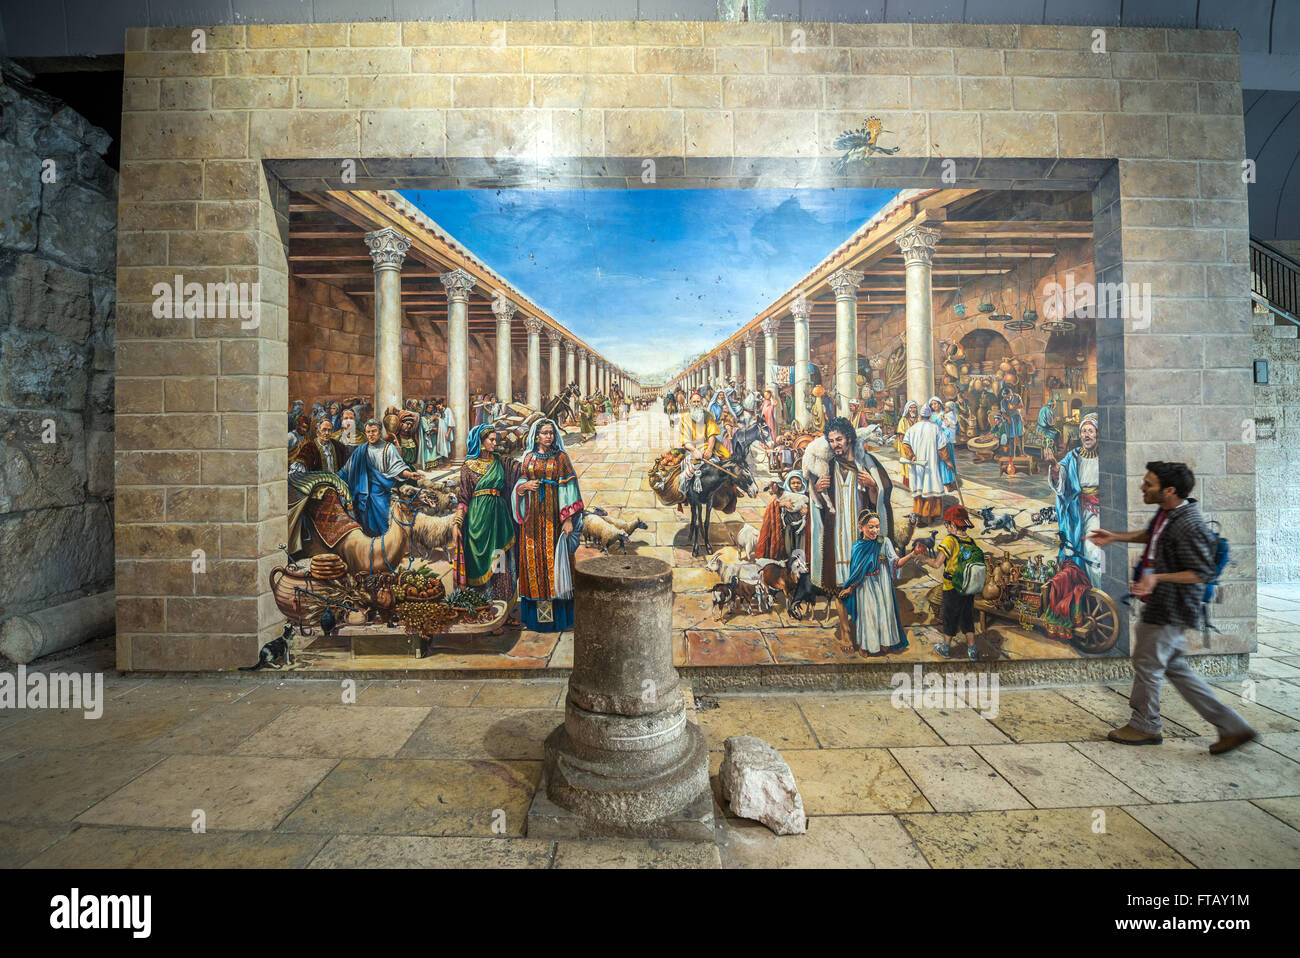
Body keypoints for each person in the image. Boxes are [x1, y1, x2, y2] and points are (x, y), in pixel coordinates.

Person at [1090, 462, 1256, 754]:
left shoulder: (1190, 525)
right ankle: (1232, 727)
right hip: (1161, 603)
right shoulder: (1168, 513)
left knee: (1147, 665)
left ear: (1170, 490)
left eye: (1148, 484)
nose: (1142, 487)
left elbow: (1202, 572)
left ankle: (1145, 724)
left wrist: (1157, 577)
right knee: (1174, 667)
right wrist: (1115, 537)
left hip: (1171, 606)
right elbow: (1151, 535)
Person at [804, 417, 895, 597]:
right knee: (839, 581)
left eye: (839, 439)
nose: (835, 445)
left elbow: (879, 499)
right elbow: (818, 504)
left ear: (849, 439)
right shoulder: (827, 466)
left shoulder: (867, 463)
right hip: (837, 530)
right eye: (831, 441)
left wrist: (872, 485)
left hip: (860, 530)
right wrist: (817, 488)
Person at [511, 419, 584, 631]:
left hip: (554, 518)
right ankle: (535, 619)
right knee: (533, 561)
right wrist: (523, 487)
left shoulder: (561, 458)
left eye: (551, 433)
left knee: (555, 561)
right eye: (544, 433)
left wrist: (568, 518)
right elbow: (519, 483)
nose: (549, 436)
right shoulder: (528, 458)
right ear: (536, 436)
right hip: (531, 520)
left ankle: (560, 618)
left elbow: (569, 487)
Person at [452, 424, 522, 613]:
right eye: (491, 439)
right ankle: (482, 609)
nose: (494, 443)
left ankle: (503, 609)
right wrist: (457, 523)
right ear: (480, 442)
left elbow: (521, 469)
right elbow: (464, 498)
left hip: (499, 522)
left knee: (499, 565)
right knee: (479, 563)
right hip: (477, 523)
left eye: (495, 440)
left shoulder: (500, 461)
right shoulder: (467, 466)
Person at [836, 509, 920, 656]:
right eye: (870, 527)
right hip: (865, 586)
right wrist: (851, 588)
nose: (875, 530)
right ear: (860, 527)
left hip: (883, 584)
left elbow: (896, 563)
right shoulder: (857, 546)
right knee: (868, 615)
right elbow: (856, 572)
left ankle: (884, 642)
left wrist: (912, 554)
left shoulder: (884, 542)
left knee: (884, 613)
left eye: (877, 526)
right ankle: (866, 645)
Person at [338, 418, 423, 536]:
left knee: (385, 523)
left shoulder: (388, 448)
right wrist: (334, 479)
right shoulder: (361, 450)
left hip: (382, 491)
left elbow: (397, 467)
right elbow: (347, 470)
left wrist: (409, 474)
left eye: (374, 431)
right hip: (362, 492)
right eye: (368, 432)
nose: (371, 435)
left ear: (380, 432)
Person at [918, 505, 981, 661]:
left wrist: (924, 559)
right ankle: (972, 650)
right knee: (967, 618)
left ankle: (945, 649)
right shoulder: (971, 542)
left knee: (949, 618)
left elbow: (937, 564)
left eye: (947, 524)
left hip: (952, 587)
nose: (946, 527)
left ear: (953, 525)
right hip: (968, 587)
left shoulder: (949, 540)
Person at [900, 397, 949, 525]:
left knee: (918, 491)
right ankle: (929, 516)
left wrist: (911, 456)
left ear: (921, 416)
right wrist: (947, 461)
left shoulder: (912, 429)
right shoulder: (936, 428)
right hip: (930, 466)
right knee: (930, 489)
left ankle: (919, 515)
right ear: (929, 416)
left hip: (916, 466)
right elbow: (942, 447)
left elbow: (905, 445)